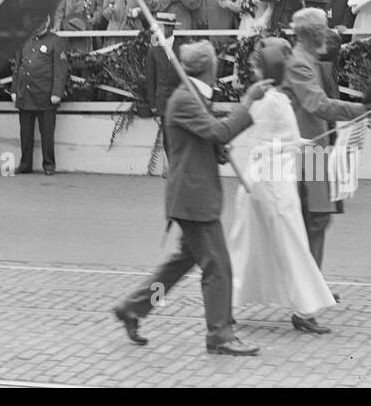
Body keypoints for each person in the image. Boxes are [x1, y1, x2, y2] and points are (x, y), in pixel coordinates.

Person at [112, 40, 272, 356]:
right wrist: (249, 100)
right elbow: (218, 131)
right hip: (192, 197)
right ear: (210, 67)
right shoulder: (187, 99)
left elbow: (205, 137)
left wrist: (214, 150)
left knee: (181, 264)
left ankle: (134, 307)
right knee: (219, 267)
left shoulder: (193, 97)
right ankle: (220, 334)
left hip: (192, 195)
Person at [228, 38, 337, 329]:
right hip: (277, 180)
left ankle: (229, 304)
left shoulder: (278, 94)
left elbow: (279, 137)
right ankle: (305, 309)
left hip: (290, 166)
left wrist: (300, 143)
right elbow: (262, 139)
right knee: (294, 241)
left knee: (252, 244)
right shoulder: (270, 98)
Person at [282, 9, 371, 321]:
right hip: (307, 153)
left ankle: (312, 287)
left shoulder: (306, 60)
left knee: (318, 221)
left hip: (315, 151)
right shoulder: (299, 62)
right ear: (314, 35)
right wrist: (361, 108)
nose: (328, 36)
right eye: (323, 31)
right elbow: (317, 104)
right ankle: (305, 301)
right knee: (316, 221)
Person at [12, 15, 68, 175]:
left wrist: (57, 93)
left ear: (47, 22)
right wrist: (14, 90)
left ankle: (49, 165)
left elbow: (60, 70)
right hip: (26, 94)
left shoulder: (56, 41)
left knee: (47, 134)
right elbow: (18, 67)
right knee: (25, 133)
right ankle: (25, 164)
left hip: (45, 94)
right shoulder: (25, 40)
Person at [144, 13, 180, 124]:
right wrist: (153, 103)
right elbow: (150, 77)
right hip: (162, 100)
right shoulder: (153, 49)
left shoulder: (182, 45)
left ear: (171, 27)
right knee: (166, 134)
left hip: (179, 100)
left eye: (163, 27)